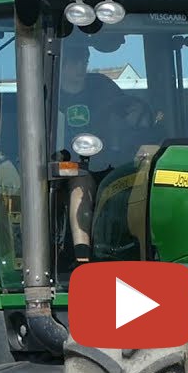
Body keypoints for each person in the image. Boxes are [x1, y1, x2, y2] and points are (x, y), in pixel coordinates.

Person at [58, 36, 124, 263]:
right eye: (74, 61)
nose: (80, 67)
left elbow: (125, 112)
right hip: (67, 166)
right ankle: (82, 255)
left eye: (83, 60)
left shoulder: (103, 87)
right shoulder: (49, 94)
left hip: (109, 161)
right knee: (81, 184)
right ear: (61, 63)